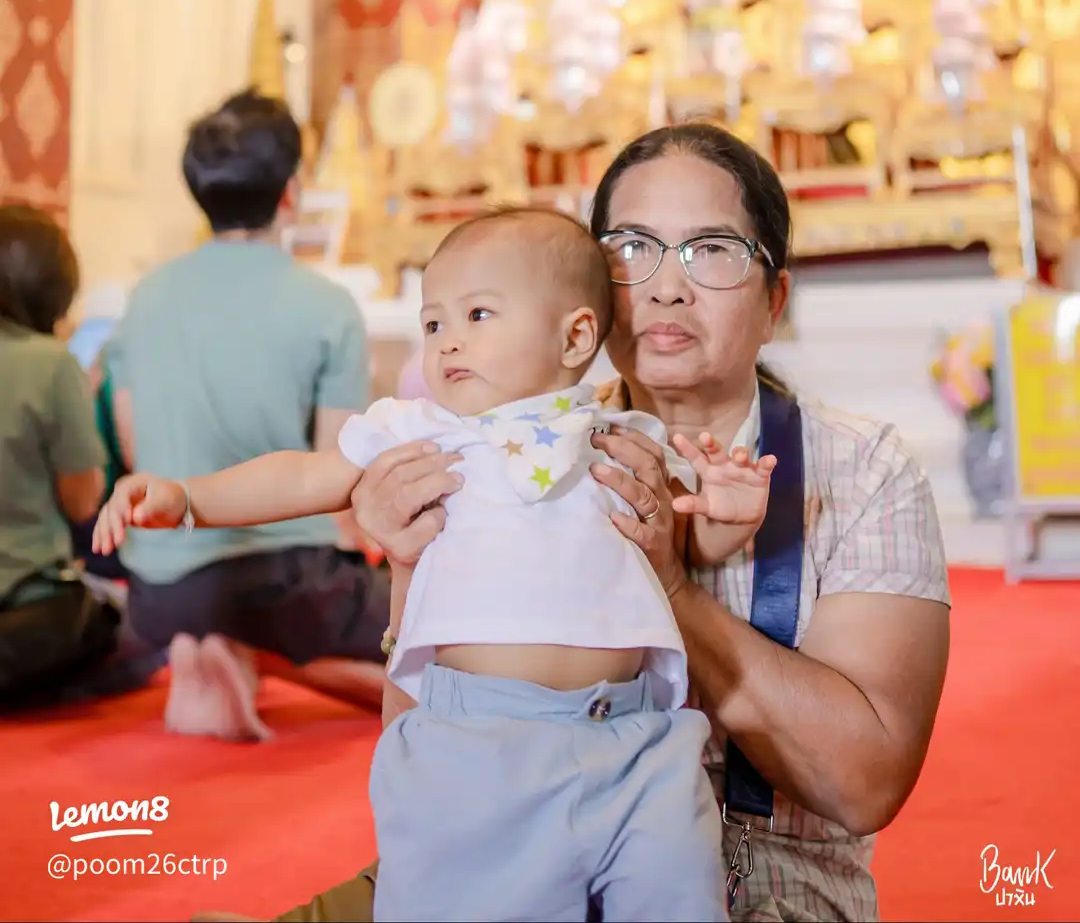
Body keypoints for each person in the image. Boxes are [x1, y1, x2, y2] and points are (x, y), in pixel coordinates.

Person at [237, 122, 950, 923]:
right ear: (588, 298)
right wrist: (412, 567)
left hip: (755, 887)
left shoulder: (860, 470)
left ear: (774, 298)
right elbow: (428, 738)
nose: (668, 288)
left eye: (711, 250)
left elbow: (865, 783)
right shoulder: (500, 446)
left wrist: (671, 584)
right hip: (497, 844)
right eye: (634, 248)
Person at [100, 206, 777, 923]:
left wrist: (730, 523)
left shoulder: (617, 437)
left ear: (576, 335)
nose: (448, 341)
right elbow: (304, 476)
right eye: (432, 325)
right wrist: (189, 498)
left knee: (679, 898)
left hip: (640, 744)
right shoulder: (425, 431)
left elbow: (673, 557)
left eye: (478, 315)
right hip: (477, 745)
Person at [106, 89, 389, 739]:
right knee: (449, 642)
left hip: (158, 589)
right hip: (288, 587)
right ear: (291, 192)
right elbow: (336, 477)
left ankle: (212, 643)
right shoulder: (326, 305)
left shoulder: (143, 298)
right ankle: (265, 655)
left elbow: (132, 448)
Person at [0, 206, 118, 704]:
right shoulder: (51, 364)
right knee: (138, 630)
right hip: (23, 611)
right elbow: (83, 502)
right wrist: (81, 404)